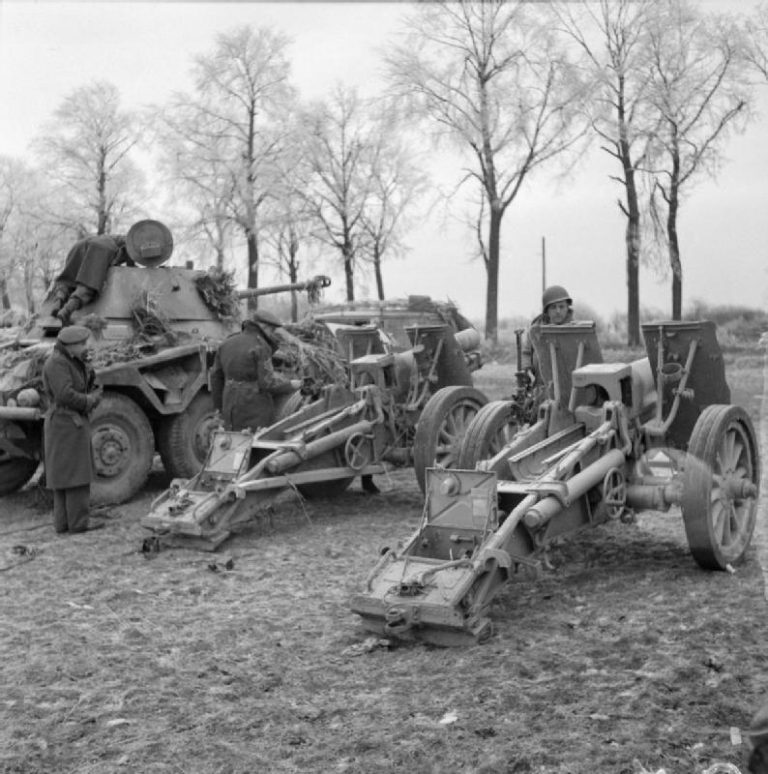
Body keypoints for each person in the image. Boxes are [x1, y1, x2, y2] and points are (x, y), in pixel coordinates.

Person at [42, 325, 103, 534]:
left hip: (66, 423)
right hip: (66, 423)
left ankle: (63, 524)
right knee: (76, 475)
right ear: (71, 346)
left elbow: (83, 383)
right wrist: (89, 401)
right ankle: (78, 524)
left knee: (64, 475)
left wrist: (89, 369)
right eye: (82, 344)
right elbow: (65, 395)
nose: (86, 346)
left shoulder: (70, 361)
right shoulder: (57, 363)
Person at [210, 309, 302, 432]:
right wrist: (291, 384)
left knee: (233, 441)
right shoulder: (261, 346)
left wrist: (219, 409)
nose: (272, 334)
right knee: (256, 444)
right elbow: (267, 384)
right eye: (271, 330)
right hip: (253, 408)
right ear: (263, 326)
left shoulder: (226, 343)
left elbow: (215, 378)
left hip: (229, 404)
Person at [49, 233, 135, 325]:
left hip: (81, 245)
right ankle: (66, 311)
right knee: (89, 284)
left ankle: (58, 301)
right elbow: (131, 268)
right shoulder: (135, 244)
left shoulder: (123, 236)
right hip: (101, 247)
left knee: (68, 280)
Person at [519, 285, 574, 380]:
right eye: (553, 307)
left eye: (561, 307)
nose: (558, 311)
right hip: (540, 383)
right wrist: (526, 369)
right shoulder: (536, 331)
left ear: (567, 308)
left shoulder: (576, 330)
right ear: (546, 310)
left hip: (568, 383)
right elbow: (526, 353)